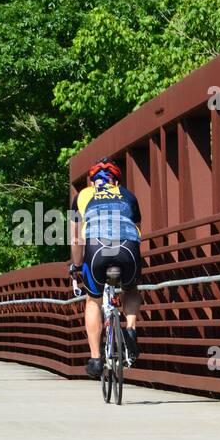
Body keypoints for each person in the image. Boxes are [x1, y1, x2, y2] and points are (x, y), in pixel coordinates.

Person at [68, 158, 142, 380]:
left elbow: (75, 239)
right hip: (128, 248)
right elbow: (138, 232)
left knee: (93, 301)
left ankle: (95, 358)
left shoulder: (81, 196)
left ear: (92, 182)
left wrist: (78, 265)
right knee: (131, 289)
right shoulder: (128, 195)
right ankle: (130, 329)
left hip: (97, 248)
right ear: (116, 180)